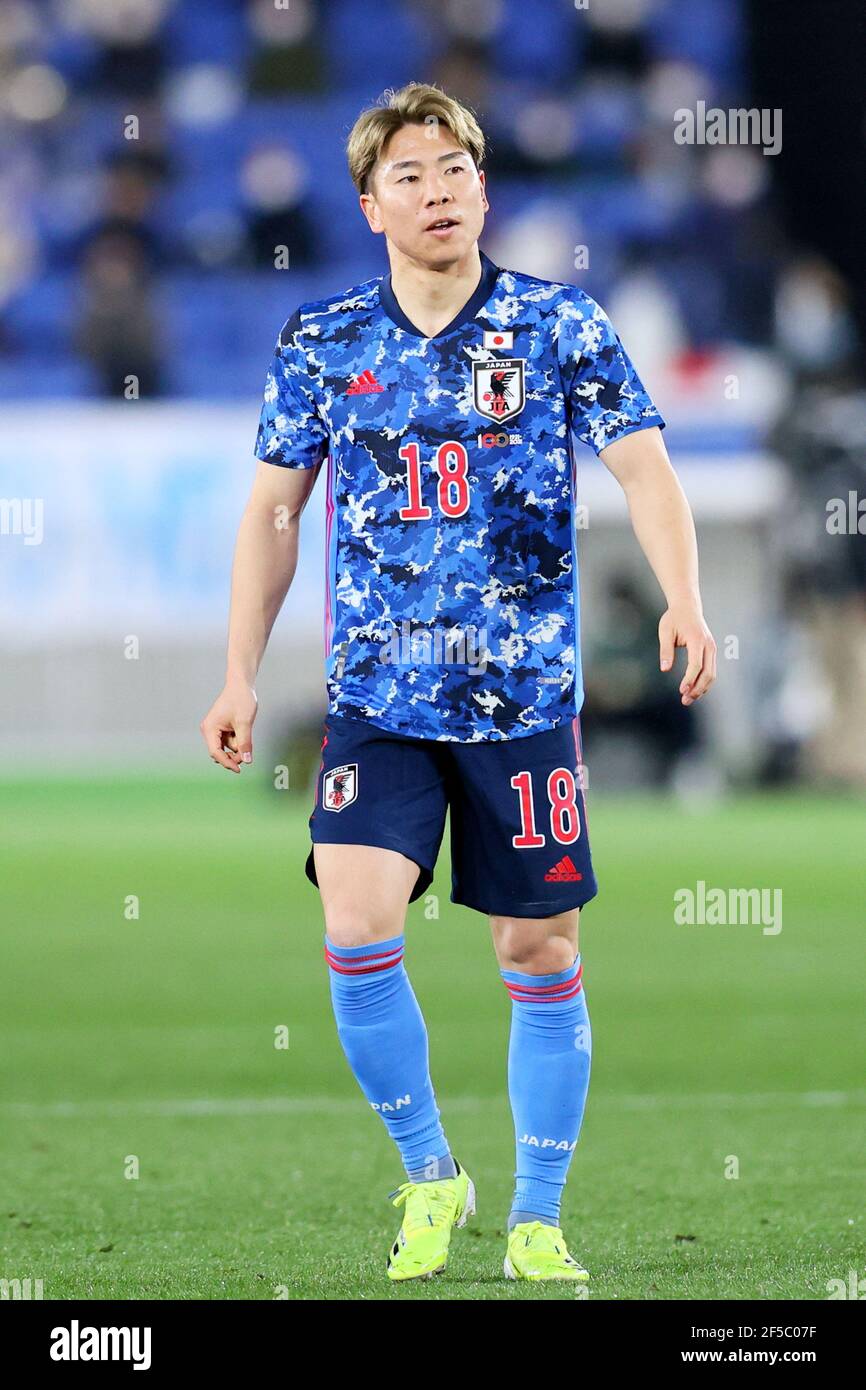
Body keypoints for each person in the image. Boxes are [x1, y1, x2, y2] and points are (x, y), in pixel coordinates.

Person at [200, 82, 717, 1283]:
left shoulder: (557, 327)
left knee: (534, 953)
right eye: (410, 177)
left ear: (482, 188)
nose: (437, 193)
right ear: (369, 205)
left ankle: (537, 1214)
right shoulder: (323, 342)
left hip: (520, 702)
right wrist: (236, 670)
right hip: (376, 700)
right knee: (354, 921)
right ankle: (431, 1173)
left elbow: (643, 470)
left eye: (455, 172)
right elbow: (274, 513)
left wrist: (684, 597)